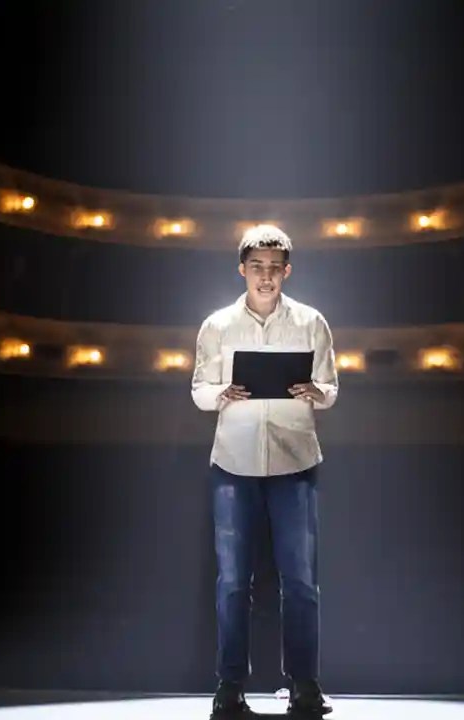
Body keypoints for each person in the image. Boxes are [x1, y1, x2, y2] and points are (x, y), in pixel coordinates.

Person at [191, 224, 338, 718]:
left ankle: (305, 686)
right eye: (257, 267)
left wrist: (318, 393)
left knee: (300, 580)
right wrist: (220, 395)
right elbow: (198, 389)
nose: (266, 276)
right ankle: (229, 687)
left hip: (295, 462)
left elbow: (331, 386)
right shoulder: (216, 326)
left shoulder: (312, 322)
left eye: (275, 267)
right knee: (233, 581)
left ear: (287, 271)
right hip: (233, 463)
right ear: (242, 270)